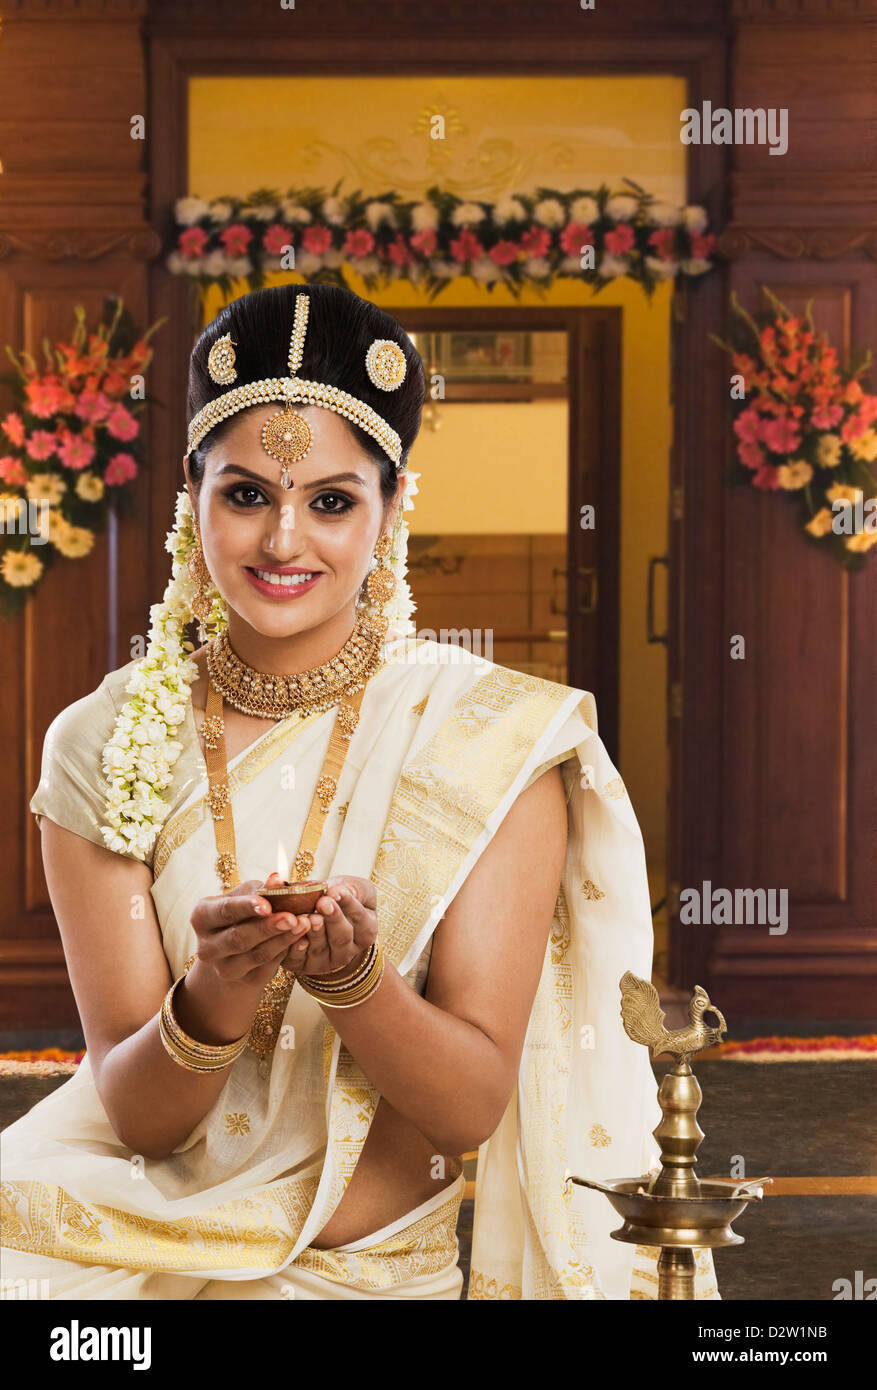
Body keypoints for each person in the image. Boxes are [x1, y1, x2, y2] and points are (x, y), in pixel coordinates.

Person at [1, 282, 718, 1300]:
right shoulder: (101, 741)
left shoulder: (490, 741)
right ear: (190, 498)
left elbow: (466, 1107)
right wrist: (217, 990)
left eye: (330, 500)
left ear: (389, 512)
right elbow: (140, 1118)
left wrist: (356, 981)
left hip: (365, 1280)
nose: (285, 540)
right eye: (246, 493)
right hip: (128, 1249)